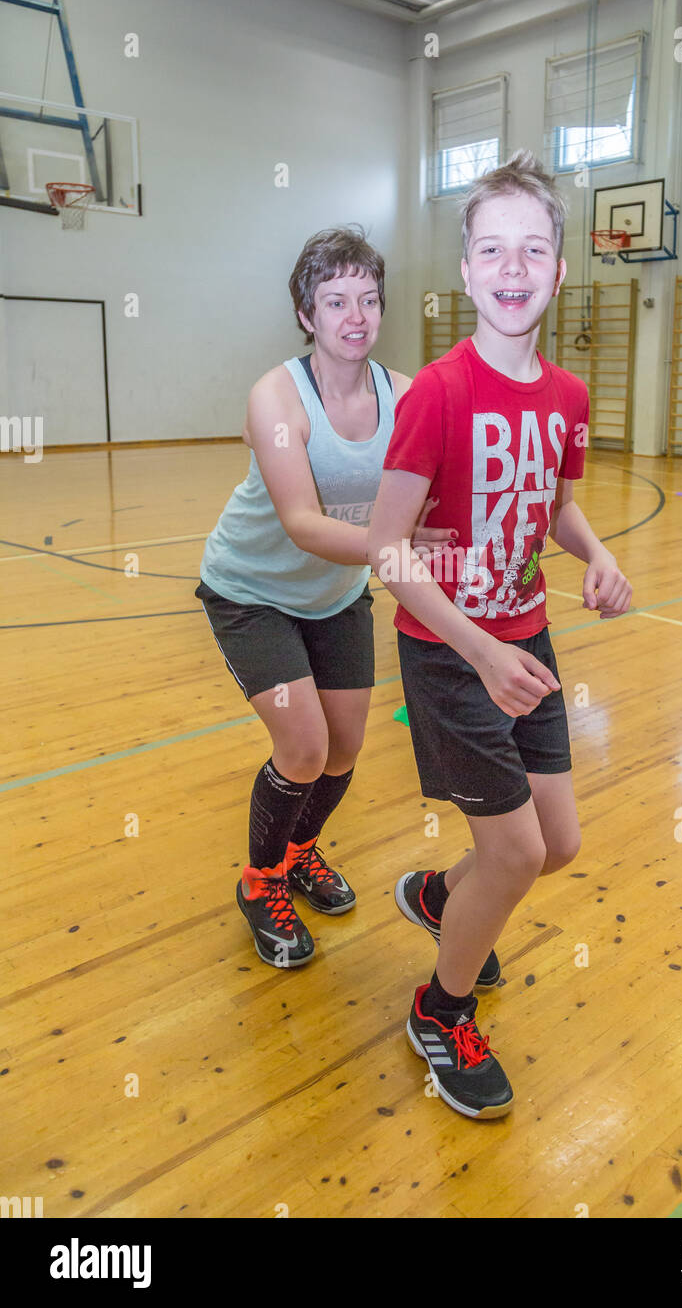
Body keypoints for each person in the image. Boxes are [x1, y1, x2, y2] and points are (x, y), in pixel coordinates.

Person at [367, 152, 633, 1119]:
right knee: (515, 854)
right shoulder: (436, 393)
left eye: (532, 249)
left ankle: (444, 897)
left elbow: (555, 507)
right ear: (468, 271)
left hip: (528, 641)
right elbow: (385, 550)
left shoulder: (567, 399)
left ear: (560, 270)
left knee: (554, 844)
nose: (512, 267)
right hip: (449, 652)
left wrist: (596, 554)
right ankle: (440, 1009)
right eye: (491, 249)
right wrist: (477, 648)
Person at [195, 227, 451, 969]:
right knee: (302, 747)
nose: (356, 315)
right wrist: (401, 547)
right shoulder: (277, 396)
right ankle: (259, 880)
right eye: (336, 300)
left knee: (343, 749)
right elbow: (305, 525)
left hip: (336, 597)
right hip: (251, 592)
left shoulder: (403, 394)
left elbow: (441, 481)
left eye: (368, 299)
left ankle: (300, 850)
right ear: (307, 313)